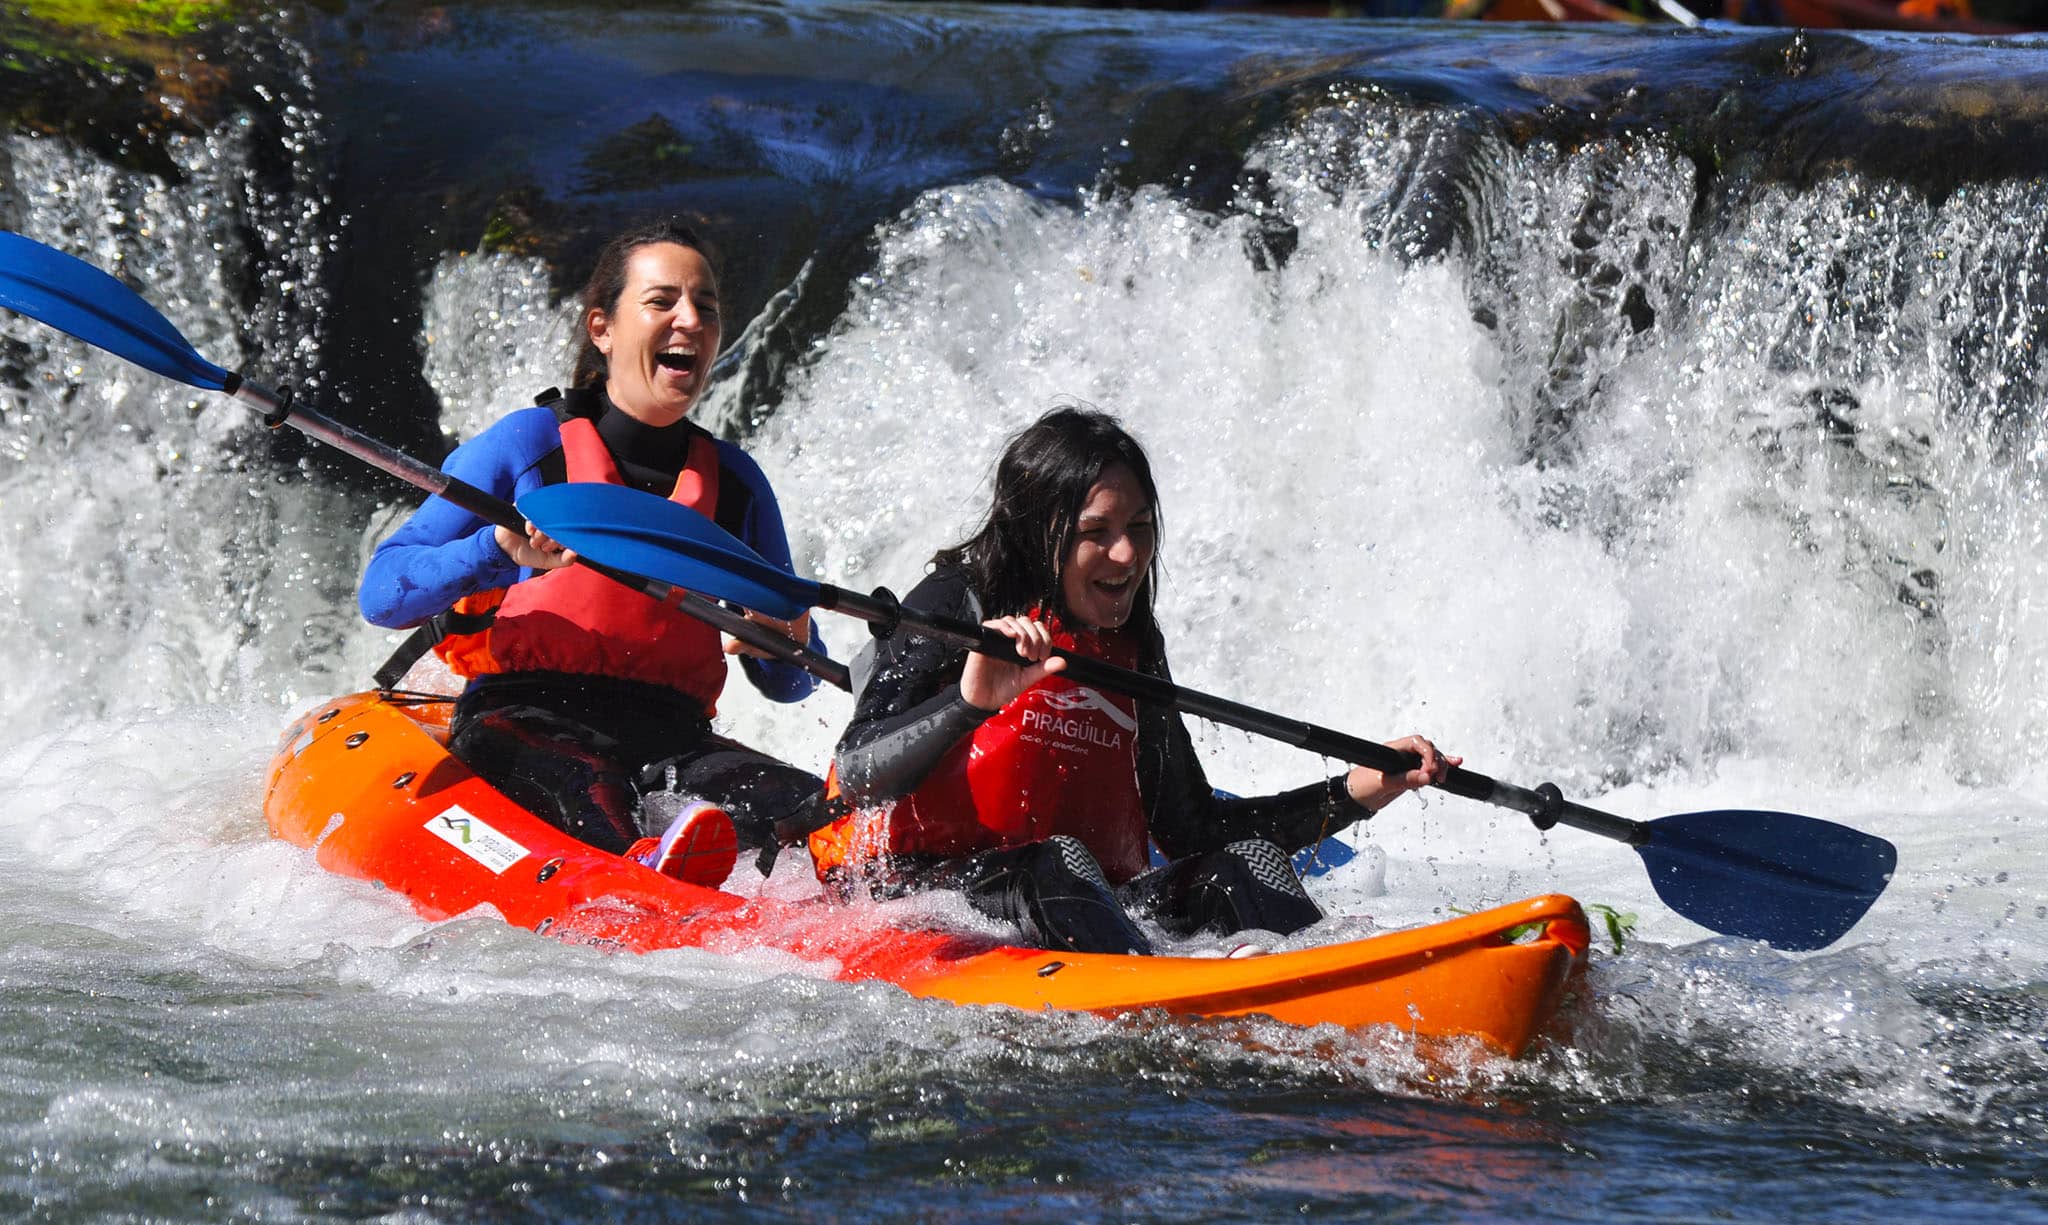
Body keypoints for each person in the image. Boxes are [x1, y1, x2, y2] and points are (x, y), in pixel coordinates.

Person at [809, 407, 1456, 955]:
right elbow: (861, 768)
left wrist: (1362, 787)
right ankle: (1153, 995)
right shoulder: (958, 604)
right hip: (925, 889)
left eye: (1140, 528)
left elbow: (1195, 830)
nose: (1127, 555)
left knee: (1246, 865)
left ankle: (1339, 987)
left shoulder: (1132, 646)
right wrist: (969, 703)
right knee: (1057, 860)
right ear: (1041, 535)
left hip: (1087, 903)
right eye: (1097, 533)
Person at [359, 218, 826, 886]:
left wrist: (789, 639)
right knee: (591, 797)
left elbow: (796, 682)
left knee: (815, 815)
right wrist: (495, 548)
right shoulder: (530, 445)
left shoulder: (738, 485)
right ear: (602, 327)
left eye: (707, 307)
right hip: (528, 715)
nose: (691, 320)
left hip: (674, 736)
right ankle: (645, 877)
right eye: (663, 301)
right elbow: (382, 593)